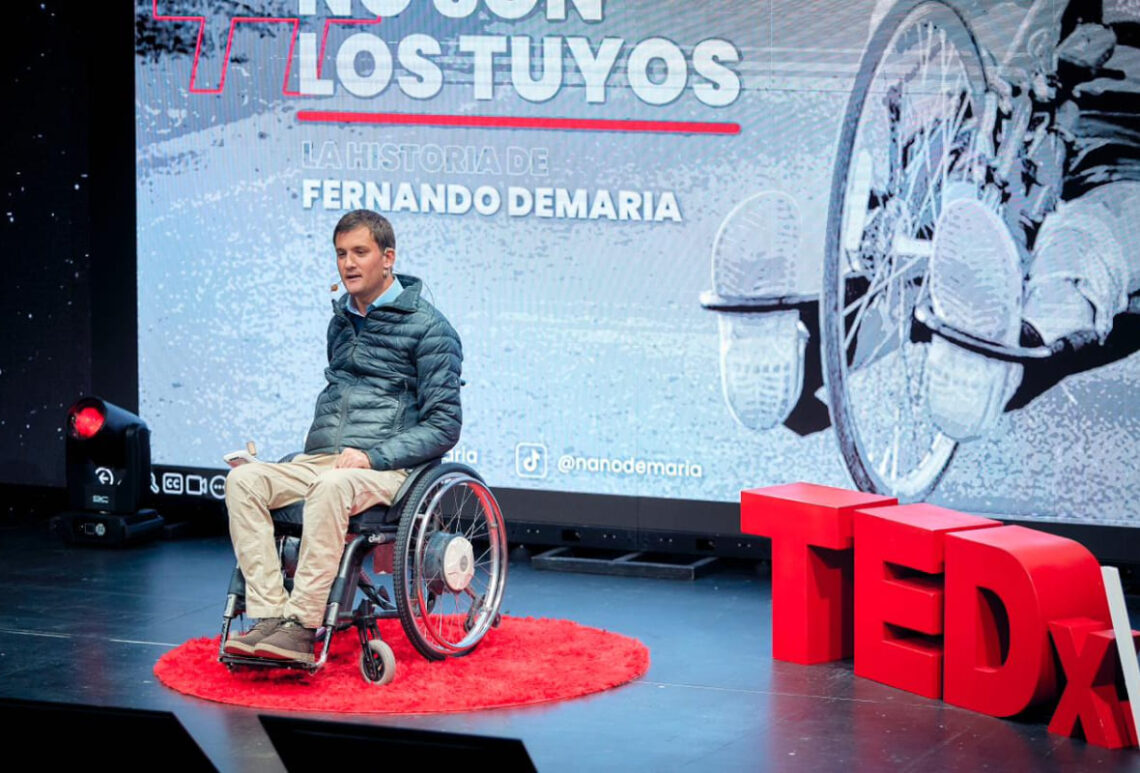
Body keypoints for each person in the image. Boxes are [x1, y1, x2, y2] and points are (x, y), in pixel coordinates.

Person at [222, 210, 462, 663]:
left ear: (387, 258)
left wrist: (373, 457)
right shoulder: (341, 321)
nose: (348, 263)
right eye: (341, 254)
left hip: (388, 469)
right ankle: (271, 618)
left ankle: (302, 625)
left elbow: (444, 425)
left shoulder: (431, 329)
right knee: (244, 481)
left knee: (333, 486)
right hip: (324, 460)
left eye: (360, 252)